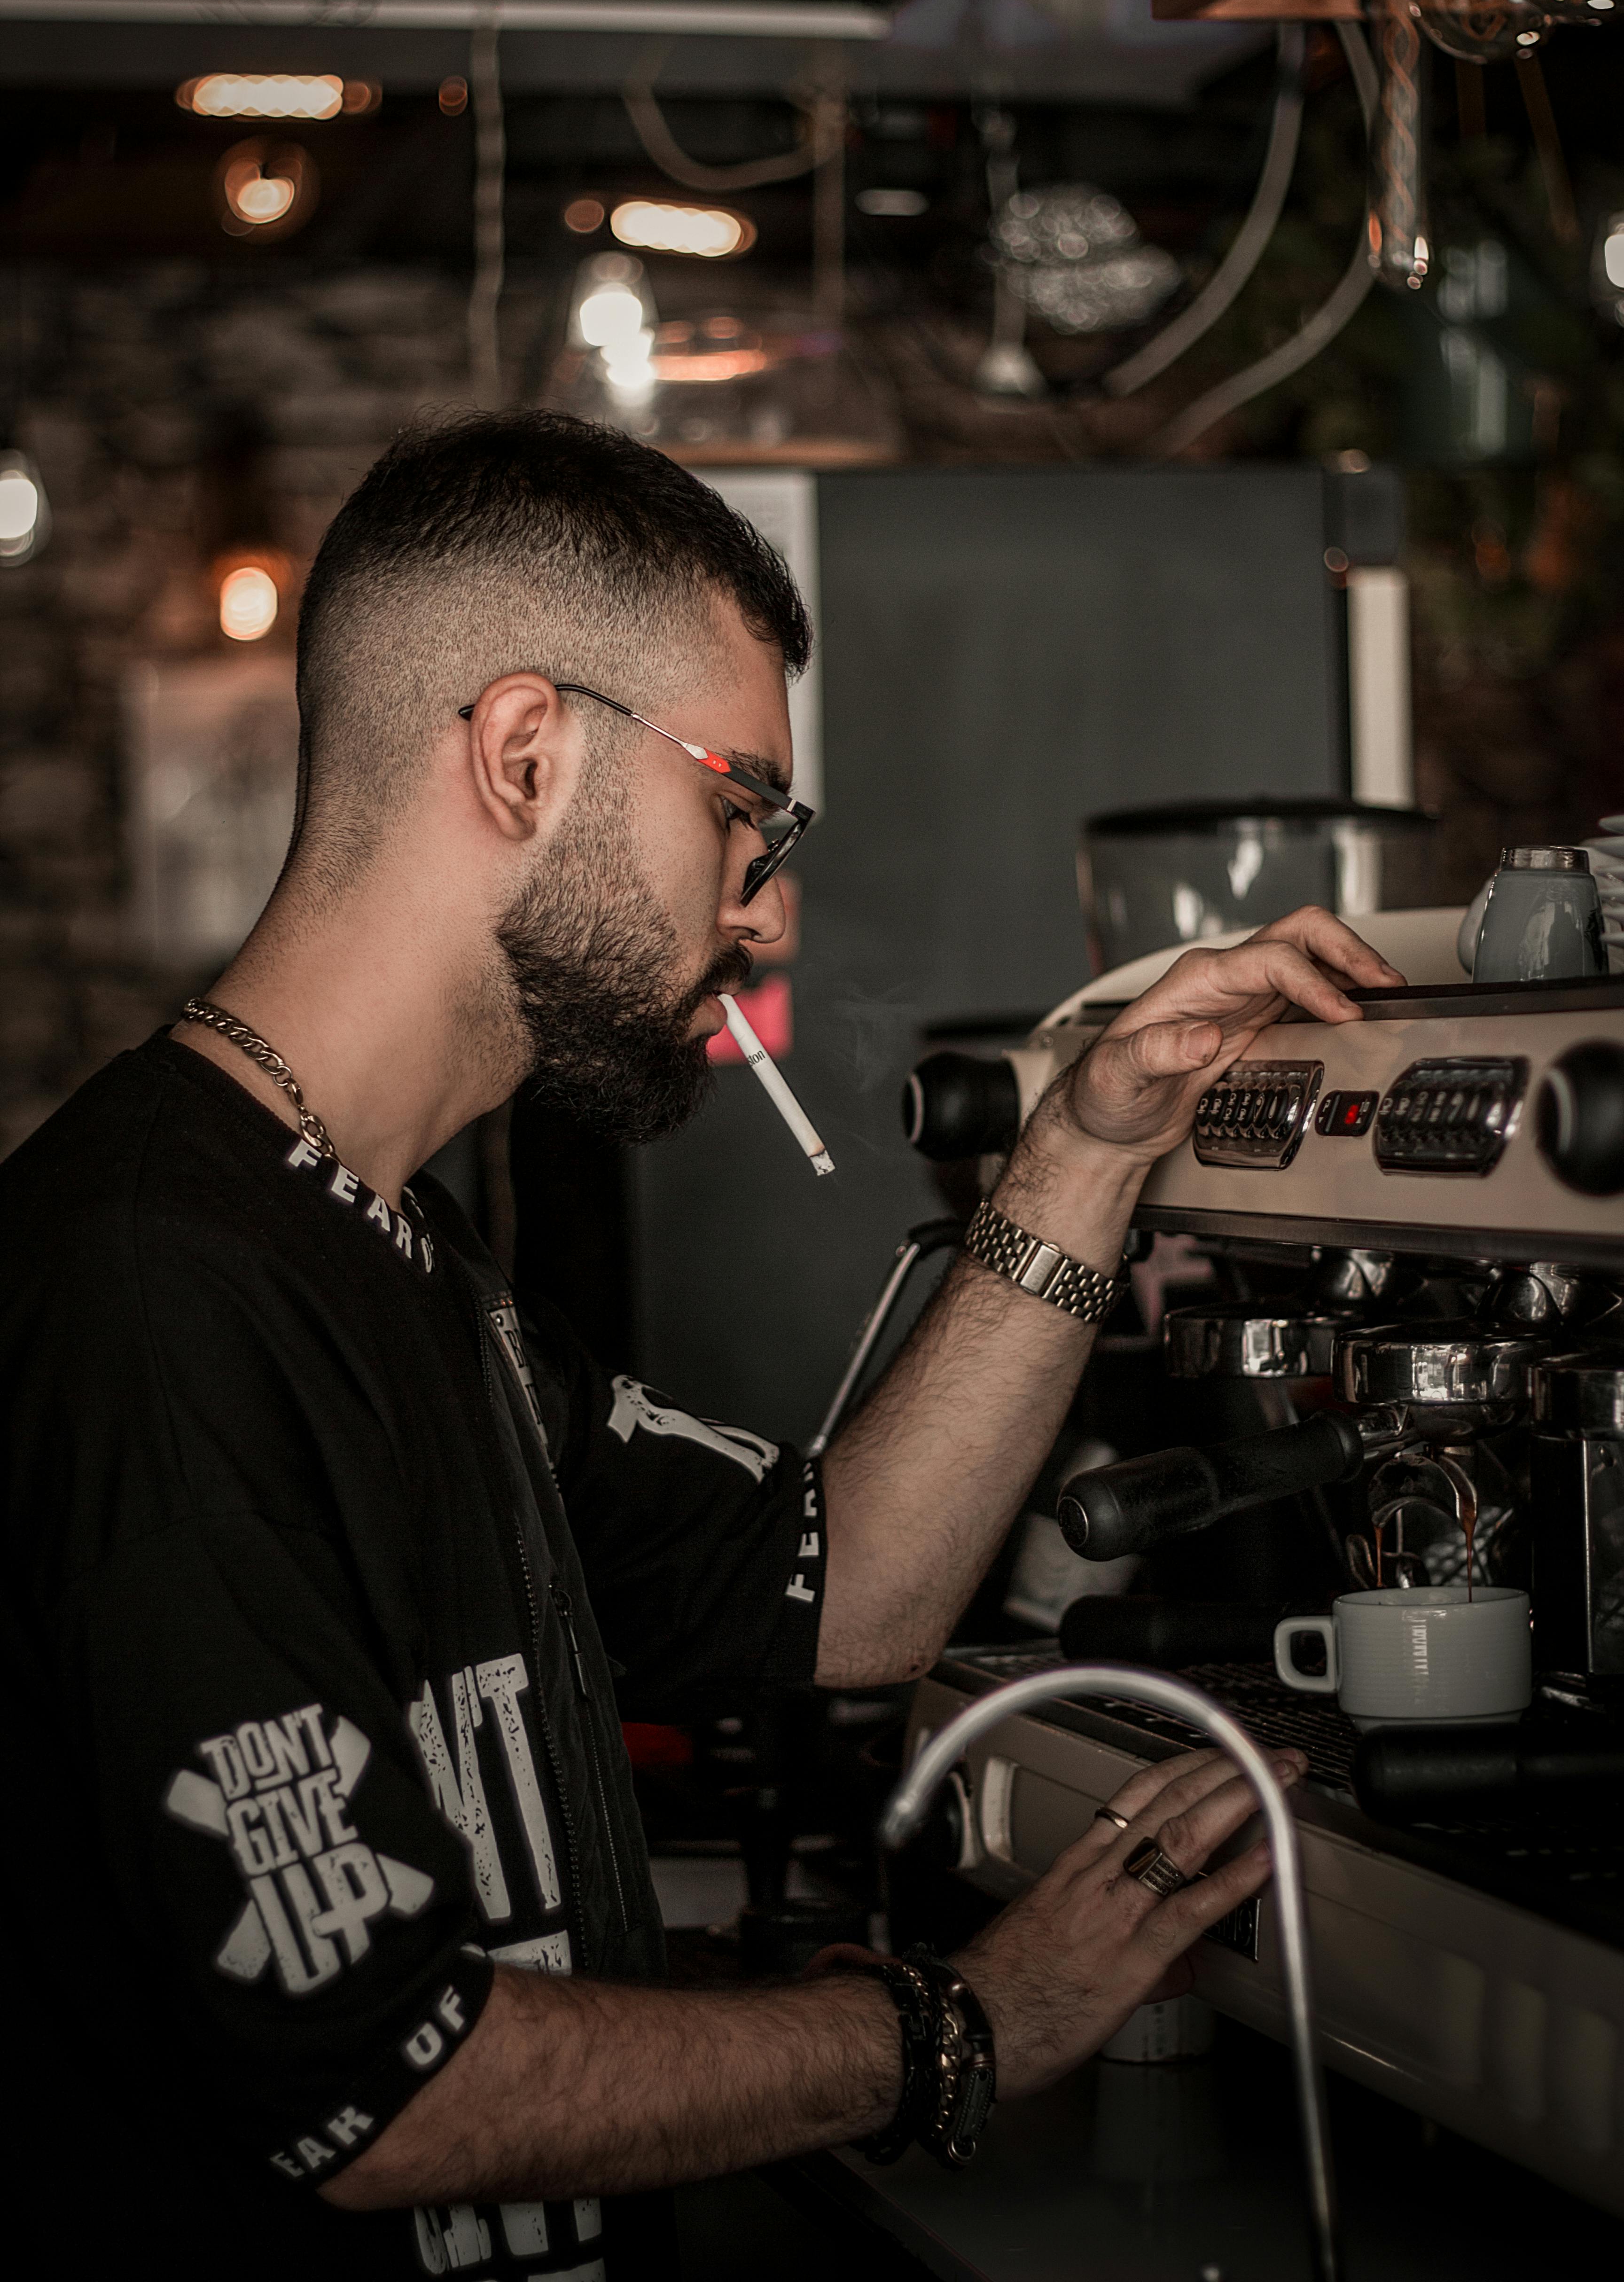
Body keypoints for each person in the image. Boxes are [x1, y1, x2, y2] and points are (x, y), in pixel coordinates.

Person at [1, 413, 1401, 2279]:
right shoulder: (157, 1294)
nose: (764, 900)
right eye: (741, 807)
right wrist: (958, 2028)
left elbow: (844, 1594)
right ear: (521, 753)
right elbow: (382, 2086)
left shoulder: (412, 1261)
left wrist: (1090, 1148)